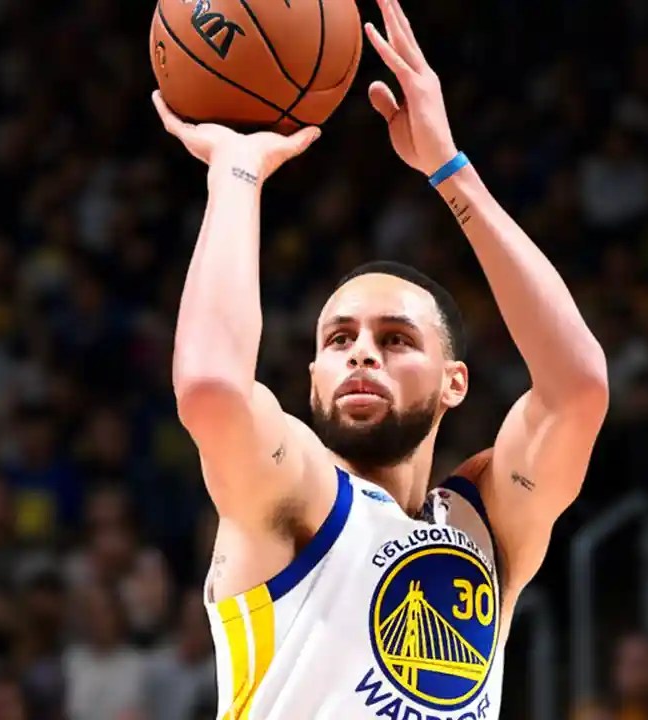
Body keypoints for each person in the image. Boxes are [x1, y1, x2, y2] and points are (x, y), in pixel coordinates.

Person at [152, 0, 608, 717]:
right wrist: (235, 175)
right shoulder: (293, 494)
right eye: (338, 340)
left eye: (396, 339)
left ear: (456, 381)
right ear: (311, 381)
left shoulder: (484, 523)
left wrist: (451, 170)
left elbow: (578, 388)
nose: (362, 352)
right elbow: (210, 386)